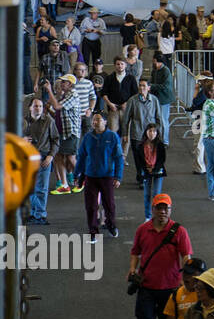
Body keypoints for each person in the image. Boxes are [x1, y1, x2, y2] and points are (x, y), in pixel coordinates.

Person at [129, 193, 193, 319]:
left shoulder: (179, 231)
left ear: (170, 210)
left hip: (170, 287)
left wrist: (184, 279)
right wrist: (132, 268)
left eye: (166, 208)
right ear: (153, 209)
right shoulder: (143, 230)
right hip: (147, 286)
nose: (162, 211)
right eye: (159, 208)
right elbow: (136, 252)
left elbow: (186, 256)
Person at [74, 112, 123, 242]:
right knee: (91, 206)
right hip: (90, 177)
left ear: (105, 122)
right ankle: (93, 231)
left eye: (98, 120)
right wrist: (76, 174)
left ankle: (111, 225)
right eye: (94, 120)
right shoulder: (87, 138)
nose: (95, 122)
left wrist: (118, 176)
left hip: (107, 177)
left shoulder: (112, 137)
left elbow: (118, 158)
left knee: (109, 205)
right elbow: (82, 157)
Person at [121, 78, 163, 188]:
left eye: (144, 86)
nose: (141, 88)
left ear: (149, 88)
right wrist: (125, 134)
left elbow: (159, 118)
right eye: (140, 85)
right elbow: (126, 119)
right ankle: (142, 177)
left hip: (151, 135)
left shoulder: (154, 100)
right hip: (137, 134)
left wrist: (159, 133)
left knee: (150, 157)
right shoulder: (132, 100)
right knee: (139, 157)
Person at [21, 95, 55, 226]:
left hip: (43, 158)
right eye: (35, 106)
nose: (38, 108)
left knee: (41, 189)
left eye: (40, 106)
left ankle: (39, 215)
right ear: (30, 108)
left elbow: (56, 140)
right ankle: (37, 213)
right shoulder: (23, 122)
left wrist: (51, 156)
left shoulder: (48, 121)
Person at [46, 74, 82, 195]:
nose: (61, 84)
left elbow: (56, 106)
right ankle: (64, 184)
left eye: (64, 82)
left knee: (71, 157)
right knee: (58, 156)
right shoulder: (65, 95)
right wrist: (56, 94)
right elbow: (55, 109)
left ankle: (83, 179)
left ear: (70, 84)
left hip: (70, 132)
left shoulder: (73, 95)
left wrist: (49, 91)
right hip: (61, 131)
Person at [136, 123, 167, 222]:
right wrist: (146, 169)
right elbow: (139, 161)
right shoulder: (140, 146)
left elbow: (162, 160)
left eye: (154, 131)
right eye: (150, 131)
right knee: (146, 194)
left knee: (156, 195)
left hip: (158, 171)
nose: (152, 133)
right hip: (146, 172)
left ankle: (156, 215)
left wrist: (154, 169)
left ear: (157, 133)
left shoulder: (160, 145)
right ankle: (148, 216)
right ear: (146, 132)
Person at [101, 55, 138, 134]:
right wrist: (110, 104)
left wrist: (127, 103)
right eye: (118, 64)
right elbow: (104, 93)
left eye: (122, 64)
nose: (120, 66)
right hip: (113, 109)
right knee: (112, 132)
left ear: (125, 65)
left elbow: (135, 94)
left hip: (126, 109)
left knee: (126, 132)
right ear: (114, 65)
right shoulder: (109, 78)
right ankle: (115, 147)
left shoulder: (131, 78)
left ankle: (124, 147)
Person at [150, 52, 174, 145]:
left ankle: (165, 141)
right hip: (156, 98)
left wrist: (152, 86)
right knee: (157, 120)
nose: (154, 63)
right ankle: (159, 139)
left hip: (164, 99)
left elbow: (165, 86)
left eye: (155, 61)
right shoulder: (155, 70)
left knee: (163, 121)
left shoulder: (166, 71)